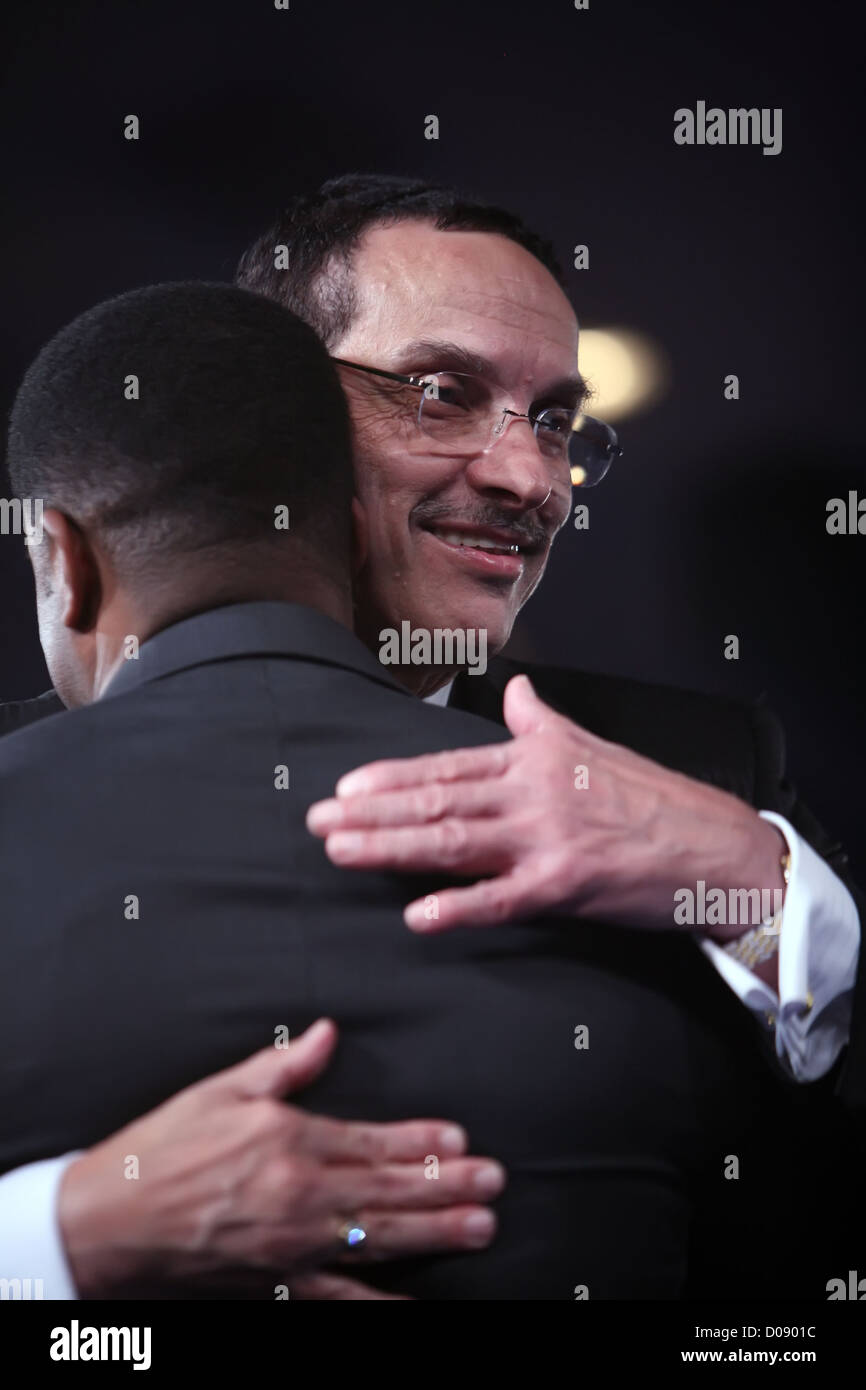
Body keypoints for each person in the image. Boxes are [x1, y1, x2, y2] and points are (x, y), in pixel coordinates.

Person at [1, 177, 861, 1294]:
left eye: (554, 421)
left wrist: (754, 881)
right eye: (442, 393)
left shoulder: (704, 765)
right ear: (281, 412)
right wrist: (55, 1238)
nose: (529, 479)